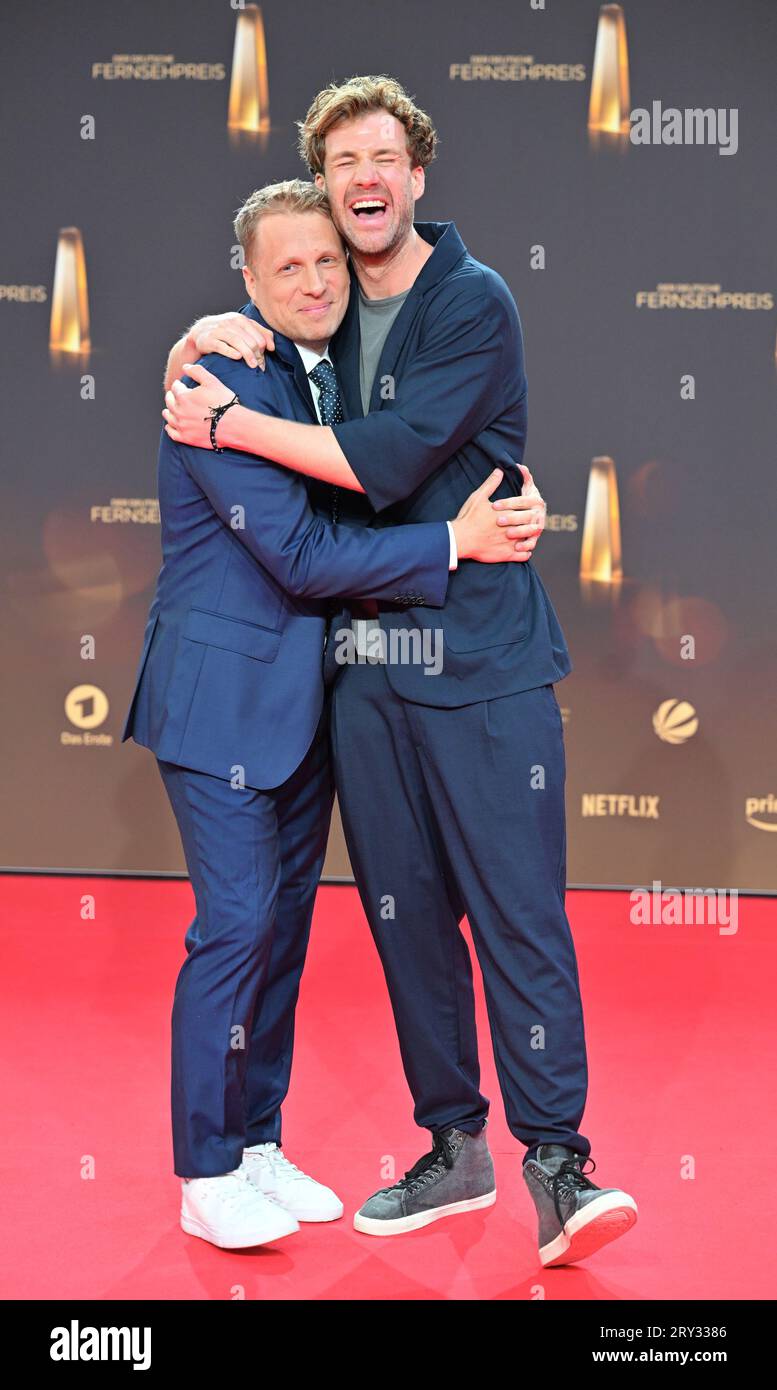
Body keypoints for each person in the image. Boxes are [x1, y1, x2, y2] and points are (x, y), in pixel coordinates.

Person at [162, 75, 638, 1267]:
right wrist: (195, 345)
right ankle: (453, 1143)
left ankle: (560, 1163)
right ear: (323, 189)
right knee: (405, 921)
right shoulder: (301, 332)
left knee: (518, 915)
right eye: (343, 163)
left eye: (384, 157)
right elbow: (261, 371)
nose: (365, 179)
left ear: (418, 173)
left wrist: (225, 423)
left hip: (479, 660)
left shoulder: (472, 301)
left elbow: (386, 456)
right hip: (361, 673)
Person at [123, 178, 533, 1251]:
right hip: (220, 708)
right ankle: (205, 1169)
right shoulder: (215, 378)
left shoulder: (318, 386)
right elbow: (300, 556)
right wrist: (457, 545)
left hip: (301, 710)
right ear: (248, 283)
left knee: (282, 934)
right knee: (234, 929)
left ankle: (256, 1139)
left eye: (325, 263)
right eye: (285, 267)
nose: (312, 281)